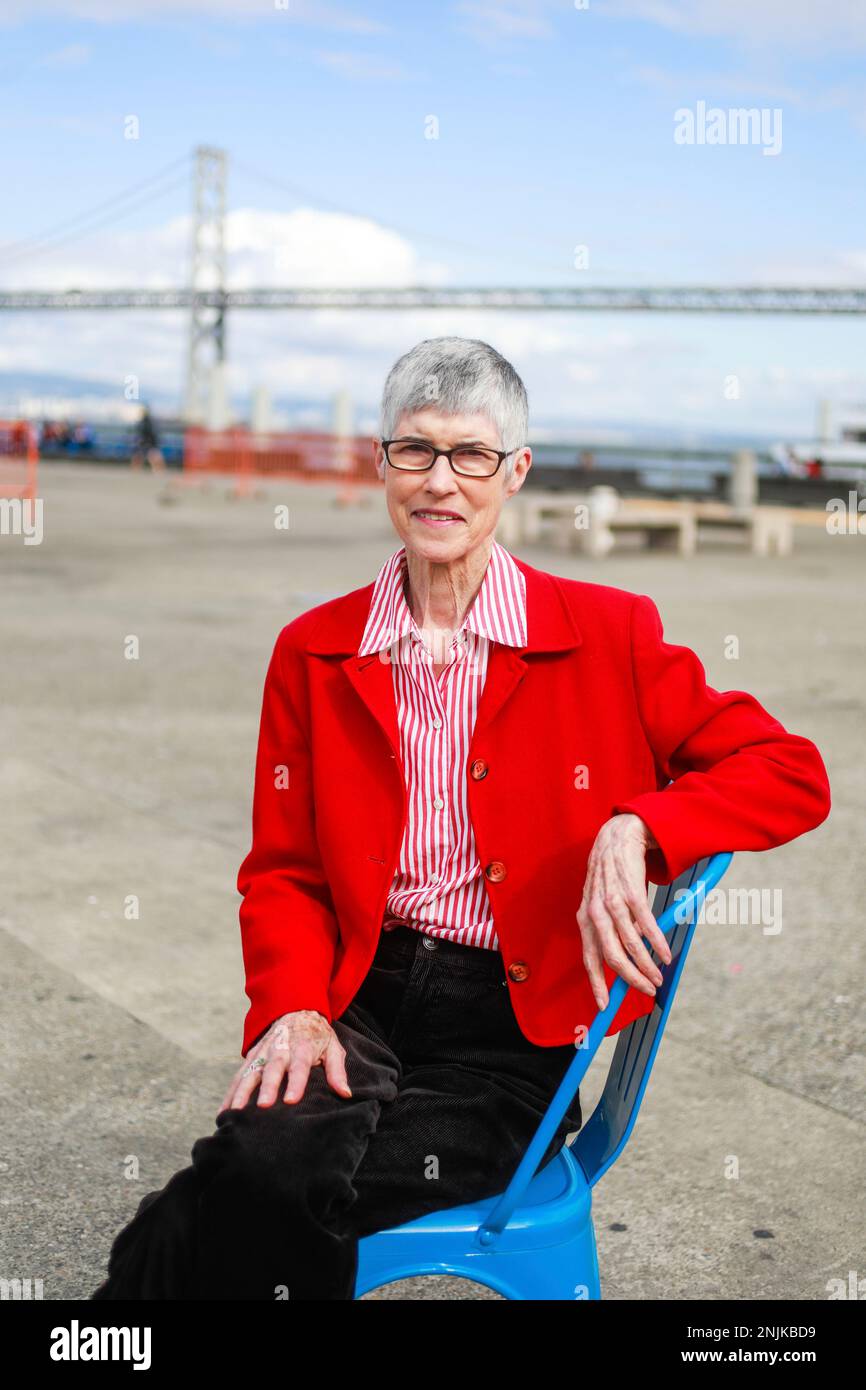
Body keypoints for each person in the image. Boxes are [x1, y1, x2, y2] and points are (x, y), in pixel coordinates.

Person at [90, 336, 831, 1301]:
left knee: (232, 1204)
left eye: (472, 455)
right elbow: (284, 870)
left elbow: (790, 769)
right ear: (381, 463)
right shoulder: (313, 652)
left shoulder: (610, 633)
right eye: (416, 450)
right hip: (357, 992)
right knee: (270, 1174)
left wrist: (642, 826)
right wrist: (293, 1006)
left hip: (512, 1034)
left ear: (515, 472)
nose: (441, 482)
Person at [130, 404, 165, 472]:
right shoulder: (149, 421)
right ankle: (158, 470)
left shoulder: (146, 422)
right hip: (148, 442)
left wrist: (142, 440)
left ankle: (158, 469)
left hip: (148, 442)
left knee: (150, 456)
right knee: (142, 456)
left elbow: (146, 432)